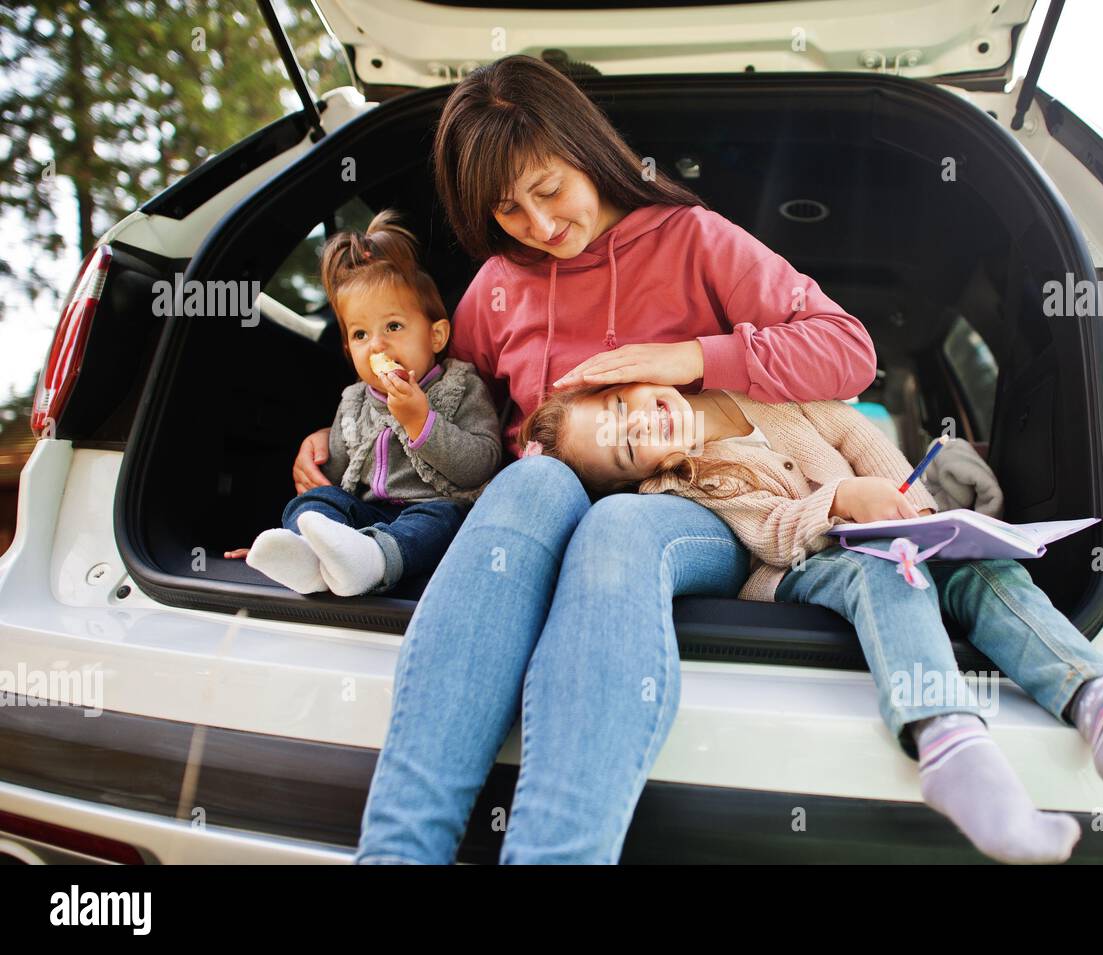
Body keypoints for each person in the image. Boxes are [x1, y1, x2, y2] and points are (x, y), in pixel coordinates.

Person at [290, 54, 881, 863]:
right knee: (532, 477)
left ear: (588, 151)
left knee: (620, 528)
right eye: (507, 208)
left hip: (696, 504)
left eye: (549, 189)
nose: (537, 223)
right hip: (542, 510)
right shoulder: (498, 287)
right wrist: (350, 432)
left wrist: (690, 359)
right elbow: (435, 391)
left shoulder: (692, 240)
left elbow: (847, 351)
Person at [517, 381, 1103, 863]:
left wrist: (911, 503)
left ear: (641, 376)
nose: (641, 427)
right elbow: (773, 531)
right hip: (800, 567)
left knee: (987, 571)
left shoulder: (764, 397)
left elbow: (853, 435)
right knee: (892, 568)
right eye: (624, 449)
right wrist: (842, 505)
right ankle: (951, 750)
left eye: (624, 406)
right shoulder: (687, 481)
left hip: (883, 529)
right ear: (636, 478)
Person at [228, 210, 500, 596]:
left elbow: (480, 463)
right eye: (360, 334)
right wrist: (327, 444)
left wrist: (421, 422)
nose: (377, 344)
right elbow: (341, 476)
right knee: (317, 500)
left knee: (441, 520)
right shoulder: (355, 400)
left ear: (436, 336)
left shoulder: (459, 384)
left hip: (429, 511)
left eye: (393, 327)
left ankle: (373, 561)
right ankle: (306, 555)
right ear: (348, 350)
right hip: (366, 515)